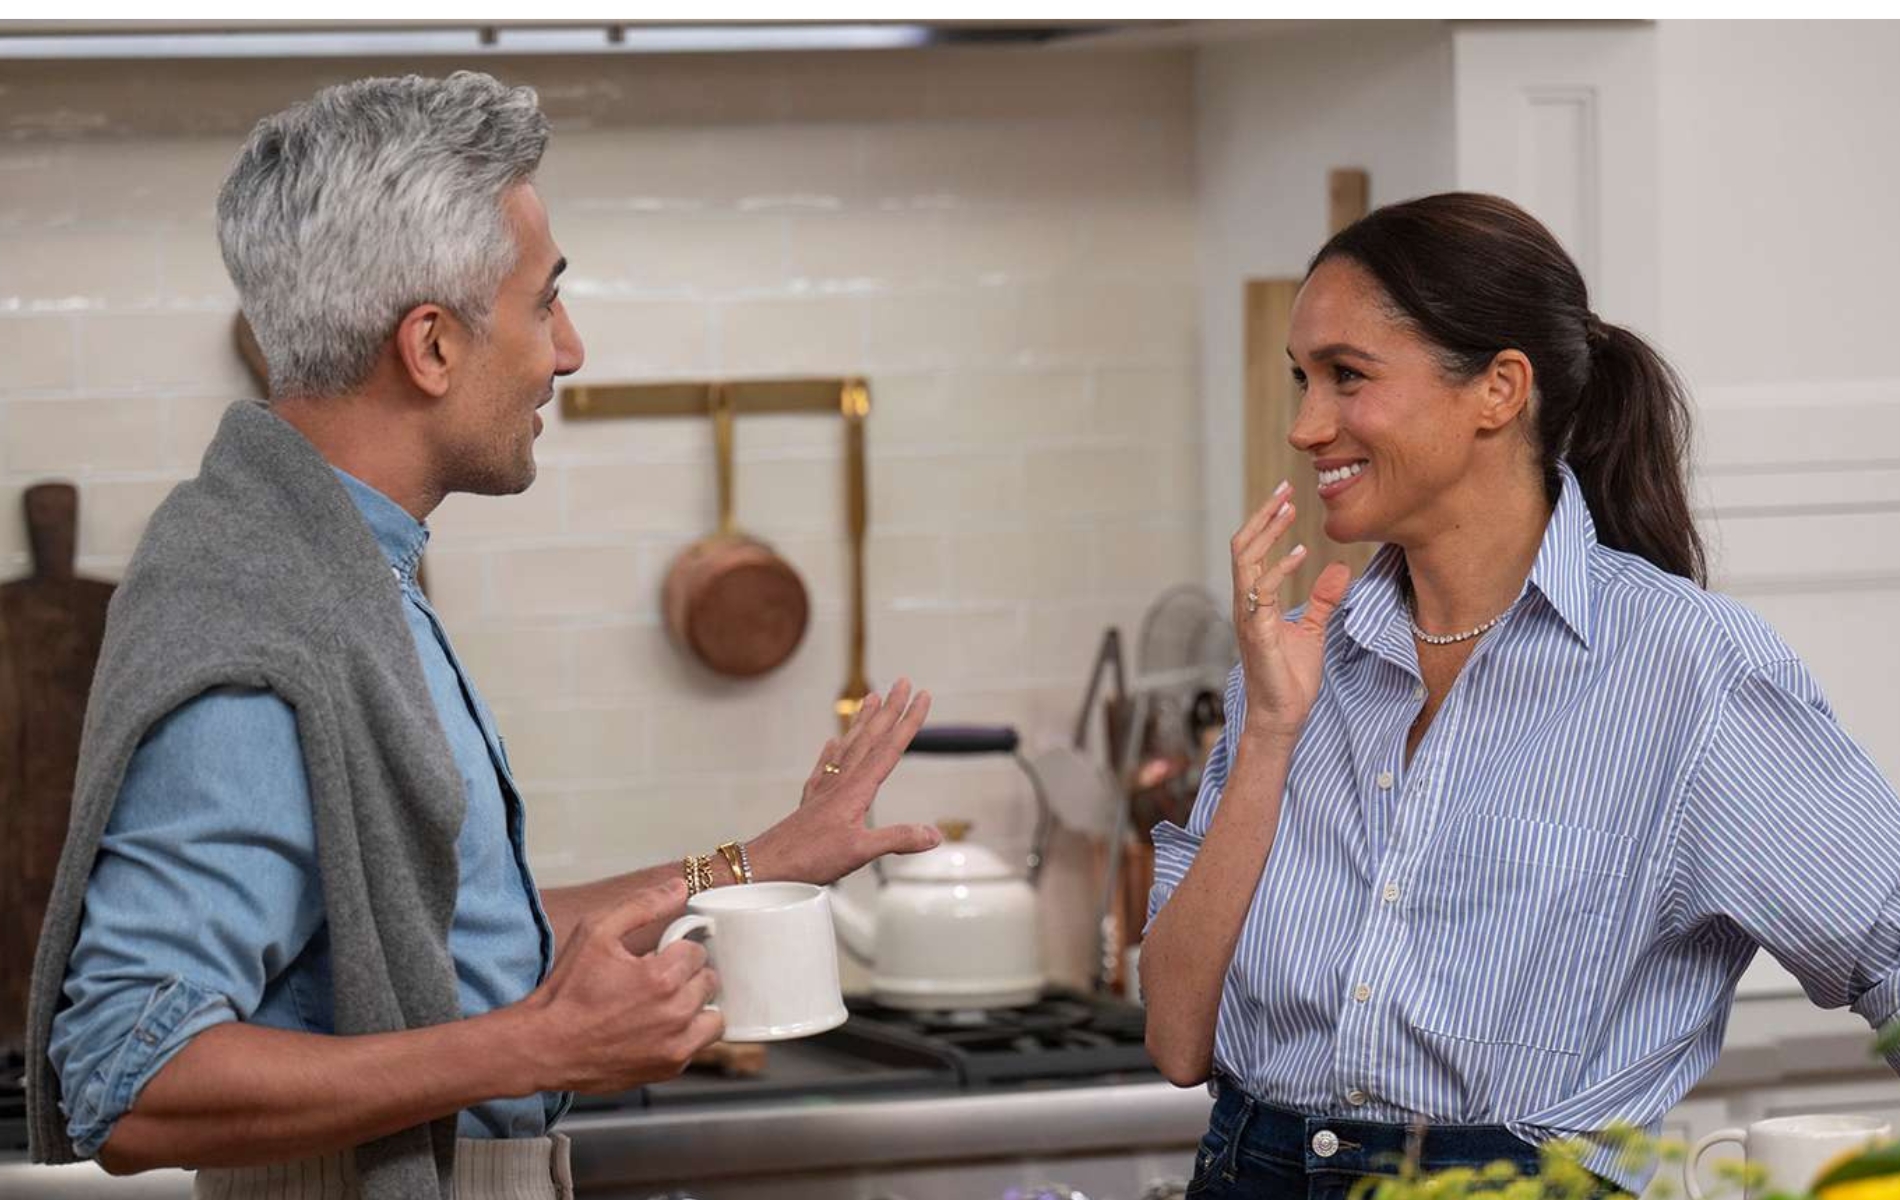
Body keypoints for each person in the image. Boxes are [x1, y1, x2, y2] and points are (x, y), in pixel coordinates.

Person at [24, 71, 941, 1199]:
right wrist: (540, 1048)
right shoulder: (262, 623)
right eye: (545, 303)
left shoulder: (349, 575)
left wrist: (756, 865)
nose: (570, 350)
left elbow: (455, 944)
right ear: (432, 348)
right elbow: (129, 1077)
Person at [1140, 191, 1900, 1199]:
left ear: (1498, 390)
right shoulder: (1293, 668)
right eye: (1301, 379)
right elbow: (1176, 1037)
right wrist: (1272, 733)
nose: (1305, 426)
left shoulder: (1689, 670)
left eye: (1346, 376)